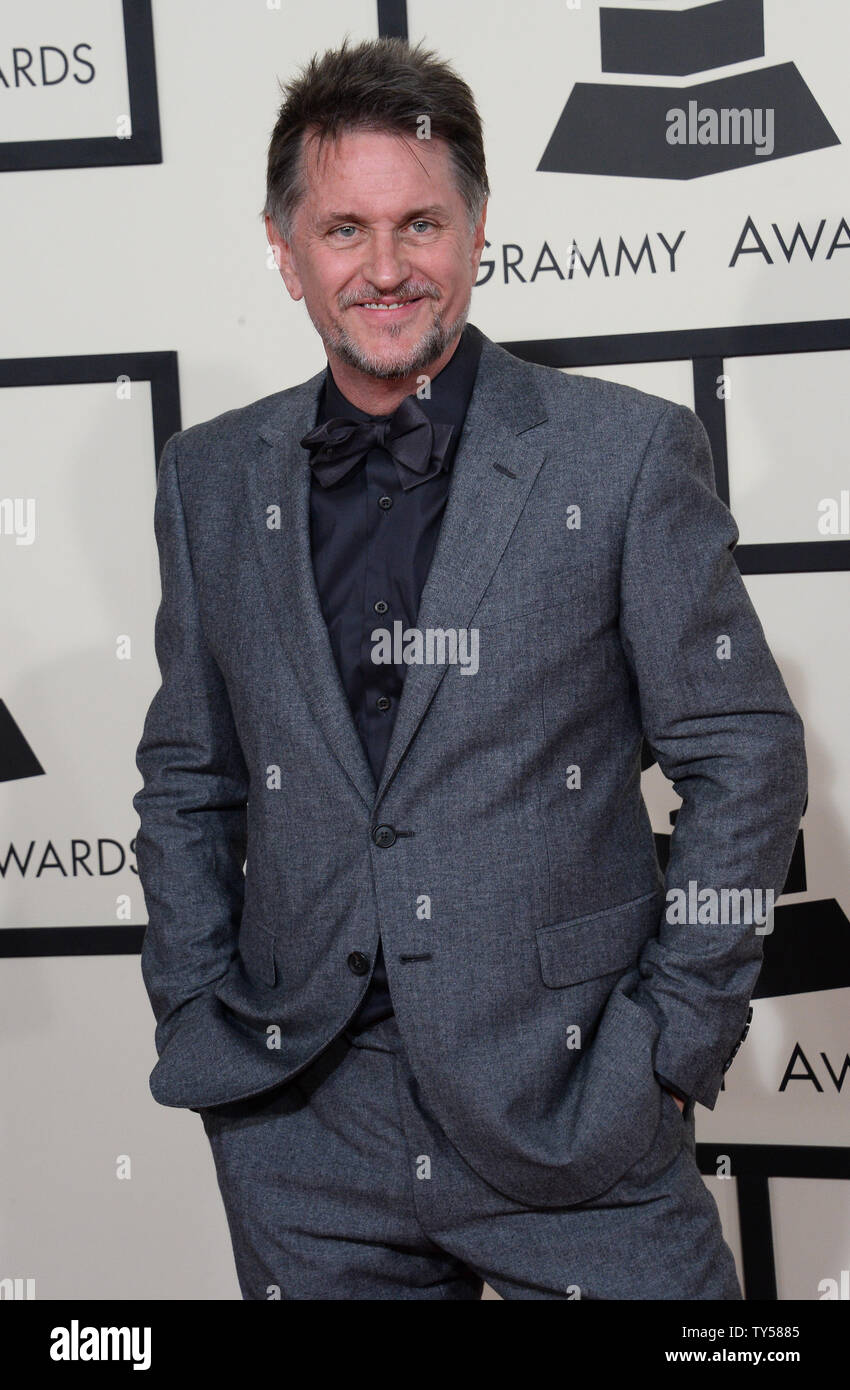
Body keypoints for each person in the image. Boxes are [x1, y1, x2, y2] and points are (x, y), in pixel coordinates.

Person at [133, 36, 807, 1300]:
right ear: (284, 251)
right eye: (343, 229)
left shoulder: (620, 457)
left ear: (479, 229)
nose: (385, 270)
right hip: (306, 1131)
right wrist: (198, 1010)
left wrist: (668, 1043)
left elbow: (743, 757)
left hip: (571, 1105)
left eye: (419, 224)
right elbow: (187, 774)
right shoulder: (211, 478)